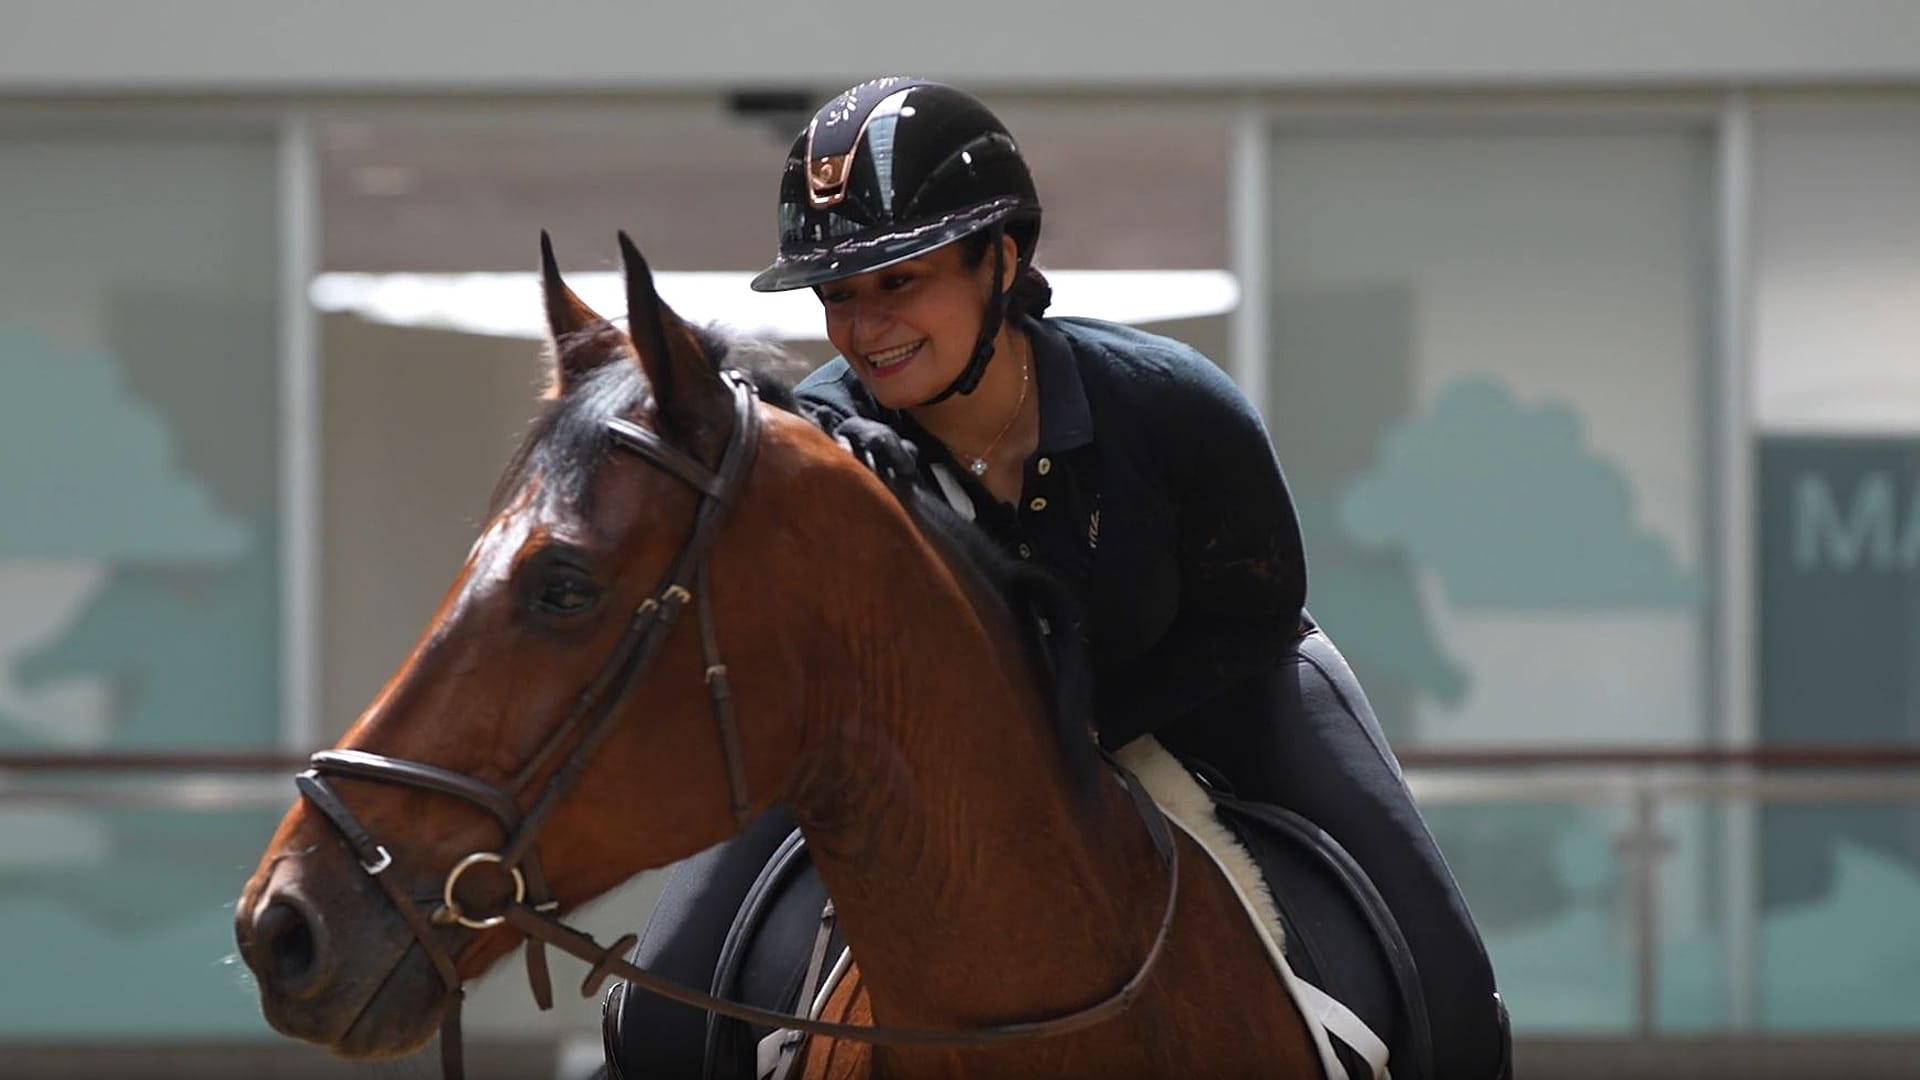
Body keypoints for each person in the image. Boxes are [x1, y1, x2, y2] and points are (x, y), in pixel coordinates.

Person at [615, 77, 1510, 1079]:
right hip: (918, 747)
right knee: (655, 1023)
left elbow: (1250, 615)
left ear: (1001, 258)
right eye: (839, 295)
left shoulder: (1174, 406)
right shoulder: (819, 444)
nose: (864, 331)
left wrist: (1073, 729)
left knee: (1457, 1009)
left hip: (1209, 682)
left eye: (898, 281)